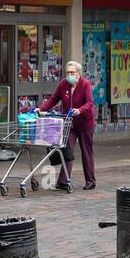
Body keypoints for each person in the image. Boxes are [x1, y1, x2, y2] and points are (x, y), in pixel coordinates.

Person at [37, 60, 96, 190]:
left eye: (72, 72)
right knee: (67, 150)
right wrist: (41, 109)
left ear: (79, 73)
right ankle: (63, 181)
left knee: (86, 152)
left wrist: (79, 110)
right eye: (68, 72)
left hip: (85, 123)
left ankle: (90, 181)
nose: (69, 75)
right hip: (69, 123)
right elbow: (53, 99)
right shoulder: (64, 84)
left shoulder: (85, 84)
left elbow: (90, 103)